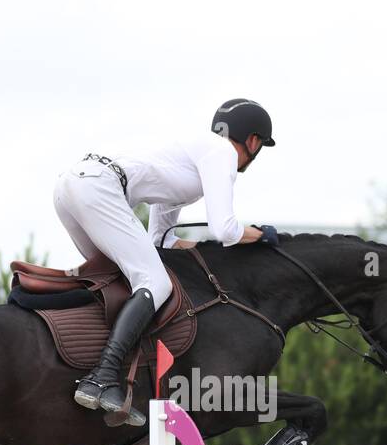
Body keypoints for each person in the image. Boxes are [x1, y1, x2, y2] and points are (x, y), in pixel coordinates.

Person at [53, 98, 279, 426]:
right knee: (155, 282)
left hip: (71, 186)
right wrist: (260, 235)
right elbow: (225, 229)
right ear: (253, 141)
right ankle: (102, 376)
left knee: (119, 277)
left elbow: (162, 242)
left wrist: (210, 251)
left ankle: (93, 365)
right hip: (97, 187)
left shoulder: (191, 156)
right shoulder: (223, 153)